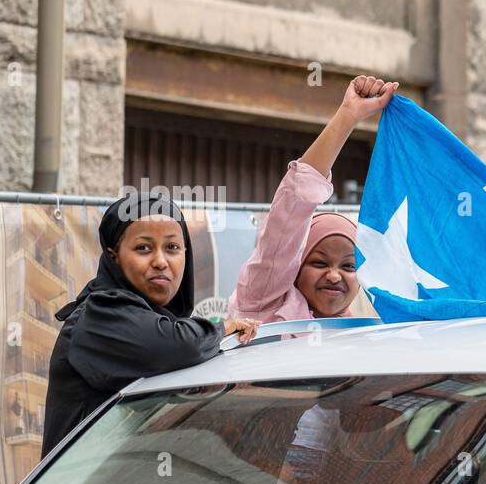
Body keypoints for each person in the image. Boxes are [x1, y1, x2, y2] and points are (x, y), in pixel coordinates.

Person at [42, 192, 260, 456]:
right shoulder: (100, 314)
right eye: (143, 248)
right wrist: (223, 327)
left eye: (172, 248)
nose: (160, 261)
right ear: (114, 257)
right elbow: (176, 346)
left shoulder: (158, 319)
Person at [227, 74, 399, 324]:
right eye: (319, 263)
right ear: (294, 266)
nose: (333, 276)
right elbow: (292, 209)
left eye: (349, 267)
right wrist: (348, 115)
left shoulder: (364, 338)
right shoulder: (262, 304)